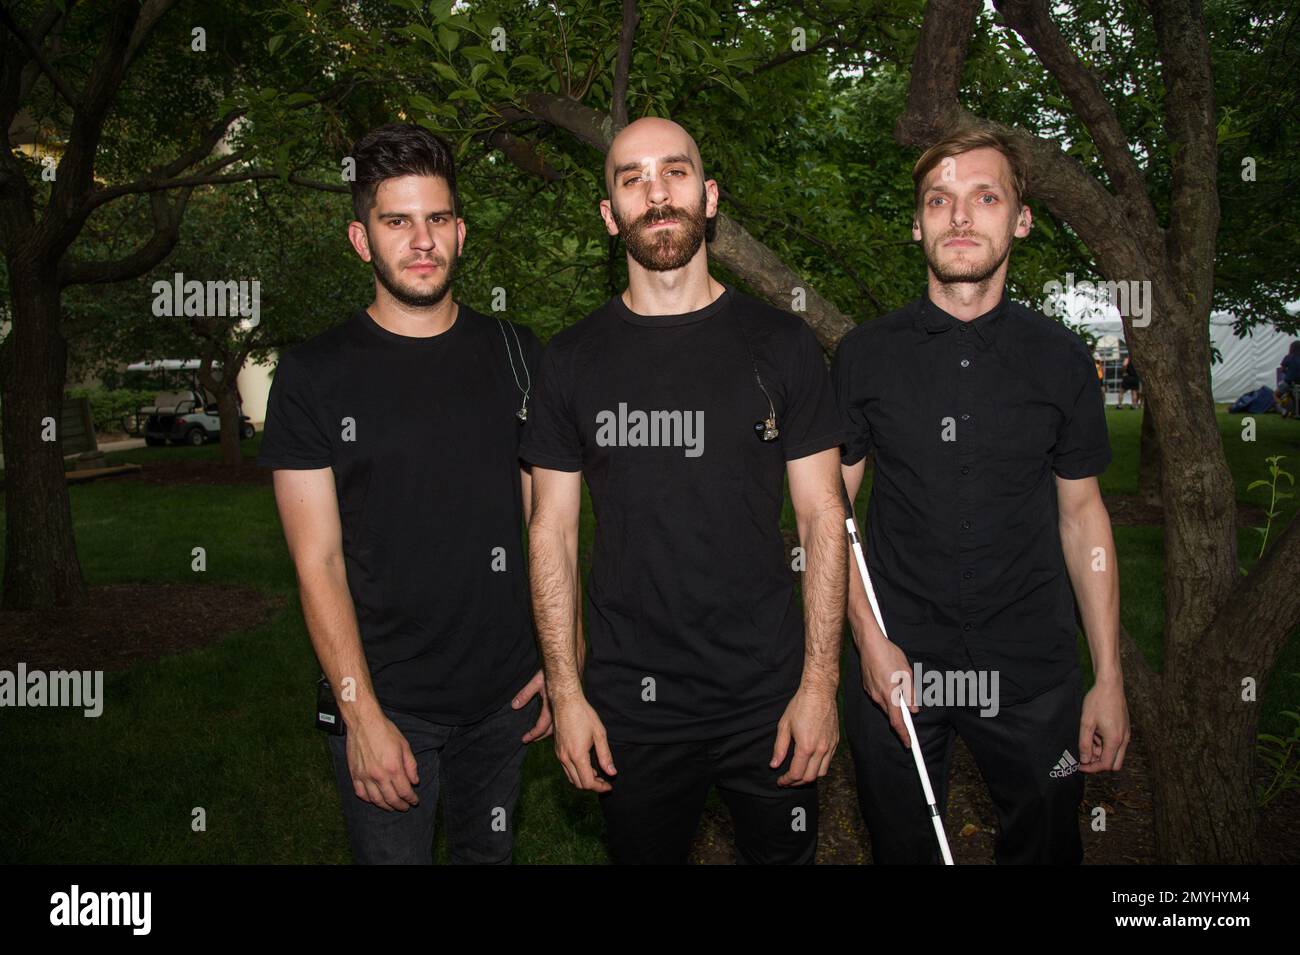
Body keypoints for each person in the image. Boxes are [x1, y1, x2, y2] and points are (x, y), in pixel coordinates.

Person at [522, 117, 847, 864]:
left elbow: (824, 517)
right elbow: (551, 534)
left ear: (709, 195)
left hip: (768, 698)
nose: (655, 192)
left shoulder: (782, 344)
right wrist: (566, 694)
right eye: (631, 178)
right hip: (631, 707)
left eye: (674, 172)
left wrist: (820, 685)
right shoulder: (569, 360)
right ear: (610, 216)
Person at [258, 124, 555, 864]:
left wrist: (561, 662)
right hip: (388, 704)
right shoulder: (312, 376)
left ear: (459, 230)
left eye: (437, 219)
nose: (421, 240)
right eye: (397, 221)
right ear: (361, 239)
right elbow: (317, 561)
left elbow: (548, 526)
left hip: (504, 699)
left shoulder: (518, 354)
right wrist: (360, 717)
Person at [832, 127, 1130, 864]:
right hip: (899, 670)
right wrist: (868, 641)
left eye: (985, 197)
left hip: (1034, 675)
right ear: (917, 223)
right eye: (940, 200)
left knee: (1048, 843)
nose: (960, 217)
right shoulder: (864, 355)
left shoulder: (1062, 360)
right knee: (905, 847)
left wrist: (1110, 678)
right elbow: (827, 512)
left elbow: (1083, 514)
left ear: (1021, 219)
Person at [1275, 341, 1300, 418]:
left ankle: (1283, 410)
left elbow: (1282, 369)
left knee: (1276, 394)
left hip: (1289, 382)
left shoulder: (1288, 357)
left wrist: (1288, 372)